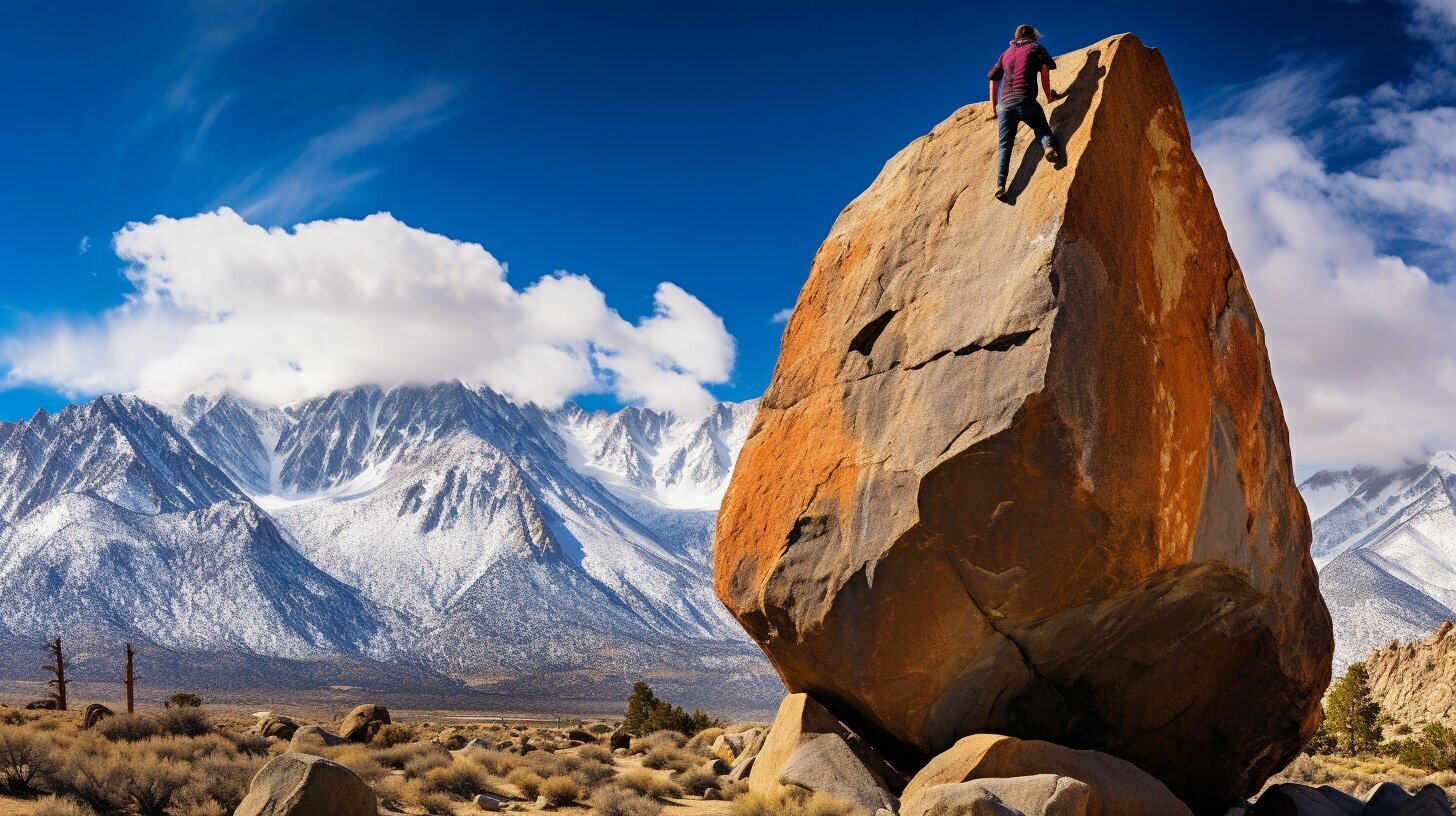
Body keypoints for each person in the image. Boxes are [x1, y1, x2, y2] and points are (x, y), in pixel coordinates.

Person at [987, 24, 1060, 202]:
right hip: (1025, 99)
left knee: (1005, 145)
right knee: (1040, 126)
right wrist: (1049, 95)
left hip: (1005, 106)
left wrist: (993, 107)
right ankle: (1049, 147)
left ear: (1016, 36)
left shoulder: (1005, 53)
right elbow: (1044, 70)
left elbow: (993, 80)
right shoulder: (1035, 47)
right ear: (1034, 35)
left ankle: (1000, 185)